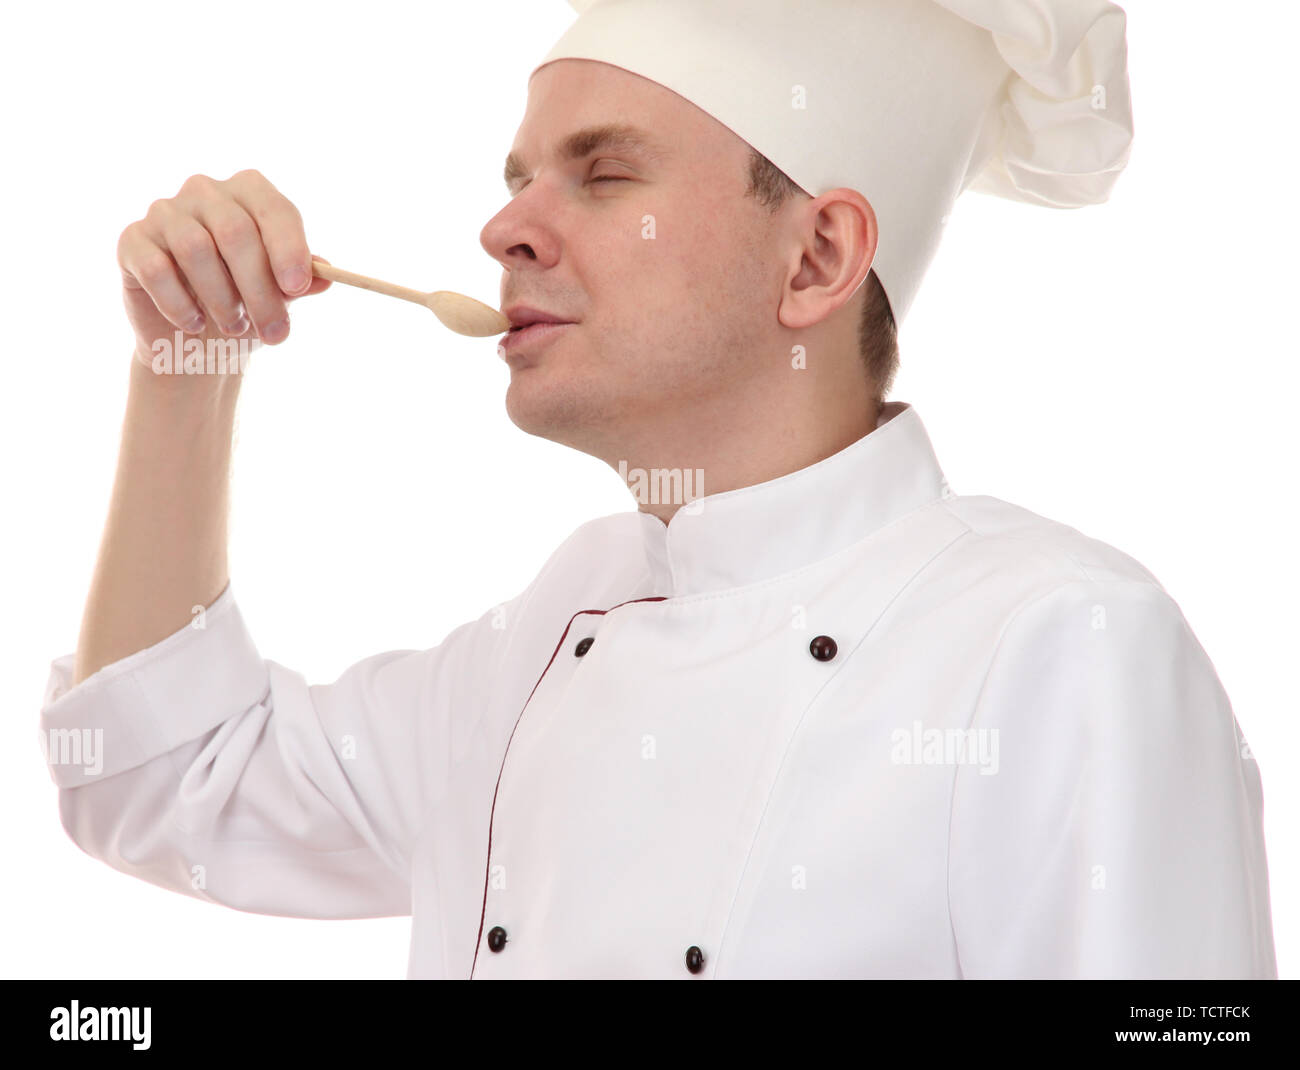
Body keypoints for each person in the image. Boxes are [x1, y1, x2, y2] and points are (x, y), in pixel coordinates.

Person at [38, 0, 1276, 979]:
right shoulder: (544, 638)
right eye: (519, 173)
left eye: (602, 172)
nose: (503, 228)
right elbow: (156, 777)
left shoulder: (1060, 643)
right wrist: (183, 365)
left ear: (819, 256)